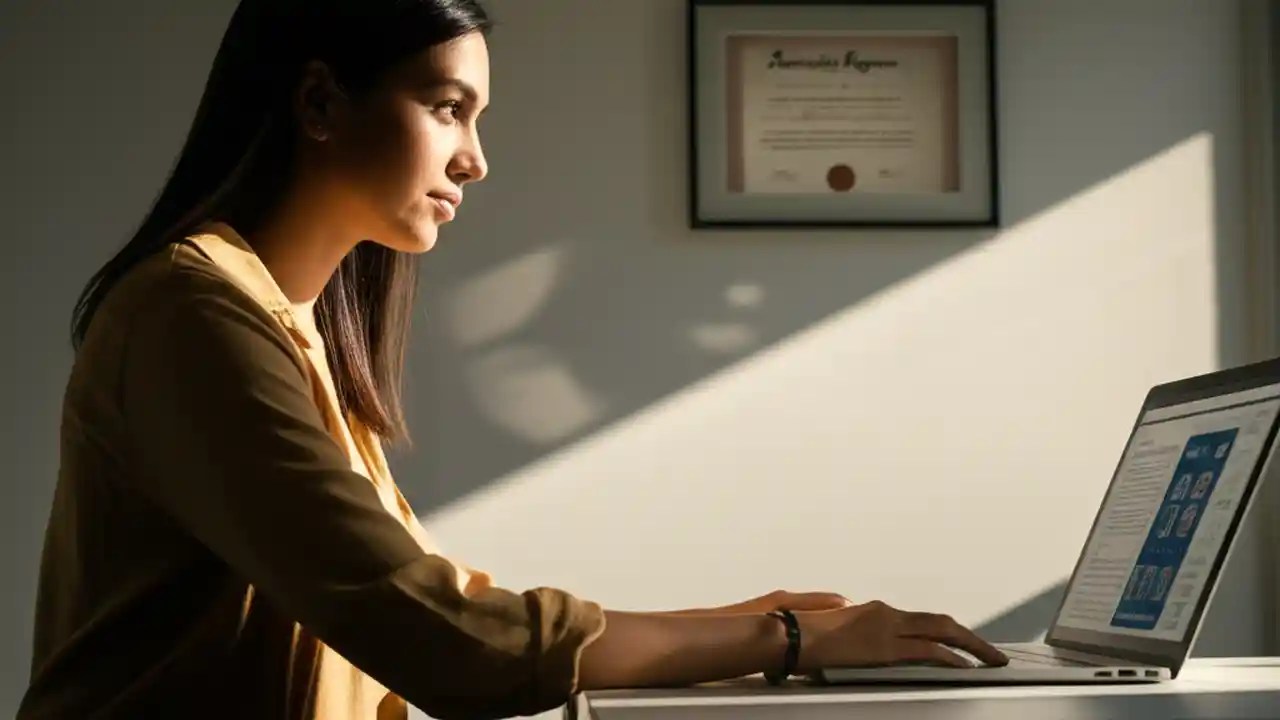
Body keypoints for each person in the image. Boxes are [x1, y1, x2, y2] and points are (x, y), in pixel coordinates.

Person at [18, 1, 1006, 718]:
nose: (474, 159)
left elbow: (417, 598)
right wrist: (786, 643)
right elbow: (437, 636)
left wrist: (732, 624)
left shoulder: (283, 320)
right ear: (319, 103)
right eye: (447, 107)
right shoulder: (194, 313)